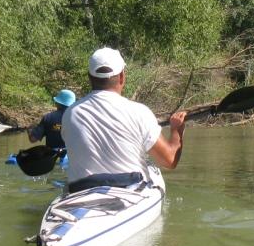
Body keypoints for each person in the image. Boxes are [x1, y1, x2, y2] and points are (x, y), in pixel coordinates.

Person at [61, 47, 187, 193]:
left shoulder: (70, 114)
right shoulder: (139, 112)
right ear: (122, 77)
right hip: (130, 192)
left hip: (79, 192)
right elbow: (170, 160)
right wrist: (177, 130)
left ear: (89, 77)